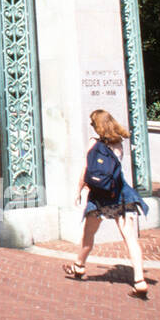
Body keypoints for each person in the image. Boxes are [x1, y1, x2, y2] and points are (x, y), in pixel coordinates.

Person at [65, 109, 151, 298]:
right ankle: (140, 280)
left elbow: (86, 169)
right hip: (121, 196)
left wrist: (79, 191)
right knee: (130, 239)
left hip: (99, 199)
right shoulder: (119, 144)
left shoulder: (94, 143)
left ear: (97, 126)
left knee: (88, 235)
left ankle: (79, 266)